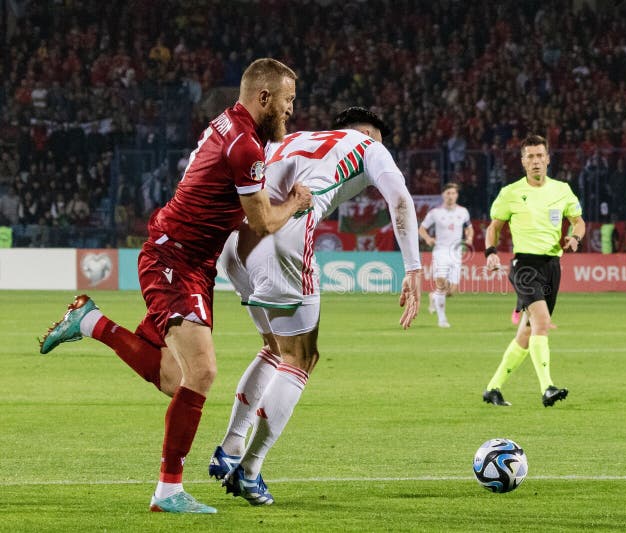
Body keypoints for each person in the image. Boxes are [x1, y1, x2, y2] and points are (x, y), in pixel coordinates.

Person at [37, 58, 312, 514]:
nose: (290, 111)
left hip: (192, 263)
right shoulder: (245, 145)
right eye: (287, 102)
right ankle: (168, 491)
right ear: (264, 98)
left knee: (175, 380)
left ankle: (92, 323)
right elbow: (262, 220)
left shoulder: (229, 124)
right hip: (174, 259)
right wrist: (297, 203)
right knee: (201, 374)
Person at [207, 107, 422, 506]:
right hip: (283, 233)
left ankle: (230, 447)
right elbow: (401, 200)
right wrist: (413, 269)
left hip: (234, 238)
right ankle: (249, 471)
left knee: (275, 348)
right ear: (368, 133)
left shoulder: (293, 138)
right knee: (301, 358)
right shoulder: (367, 147)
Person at [482, 134, 585, 408]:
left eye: (540, 155)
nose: (536, 161)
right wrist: (491, 253)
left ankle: (493, 388)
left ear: (548, 158)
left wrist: (575, 238)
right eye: (531, 156)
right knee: (541, 323)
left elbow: (578, 221)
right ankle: (547, 387)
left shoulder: (562, 190)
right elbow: (493, 227)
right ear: (523, 161)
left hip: (552, 266)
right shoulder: (511, 193)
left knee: (527, 332)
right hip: (524, 266)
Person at [419, 182, 473, 328]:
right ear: (443, 195)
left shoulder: (463, 212)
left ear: (457, 195)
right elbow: (422, 229)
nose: (450, 196)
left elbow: (469, 228)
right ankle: (442, 320)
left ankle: (433, 296)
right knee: (441, 283)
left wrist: (469, 238)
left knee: (452, 290)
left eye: (453, 193)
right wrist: (428, 239)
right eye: (448, 193)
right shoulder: (435, 213)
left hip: (456, 253)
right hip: (440, 251)